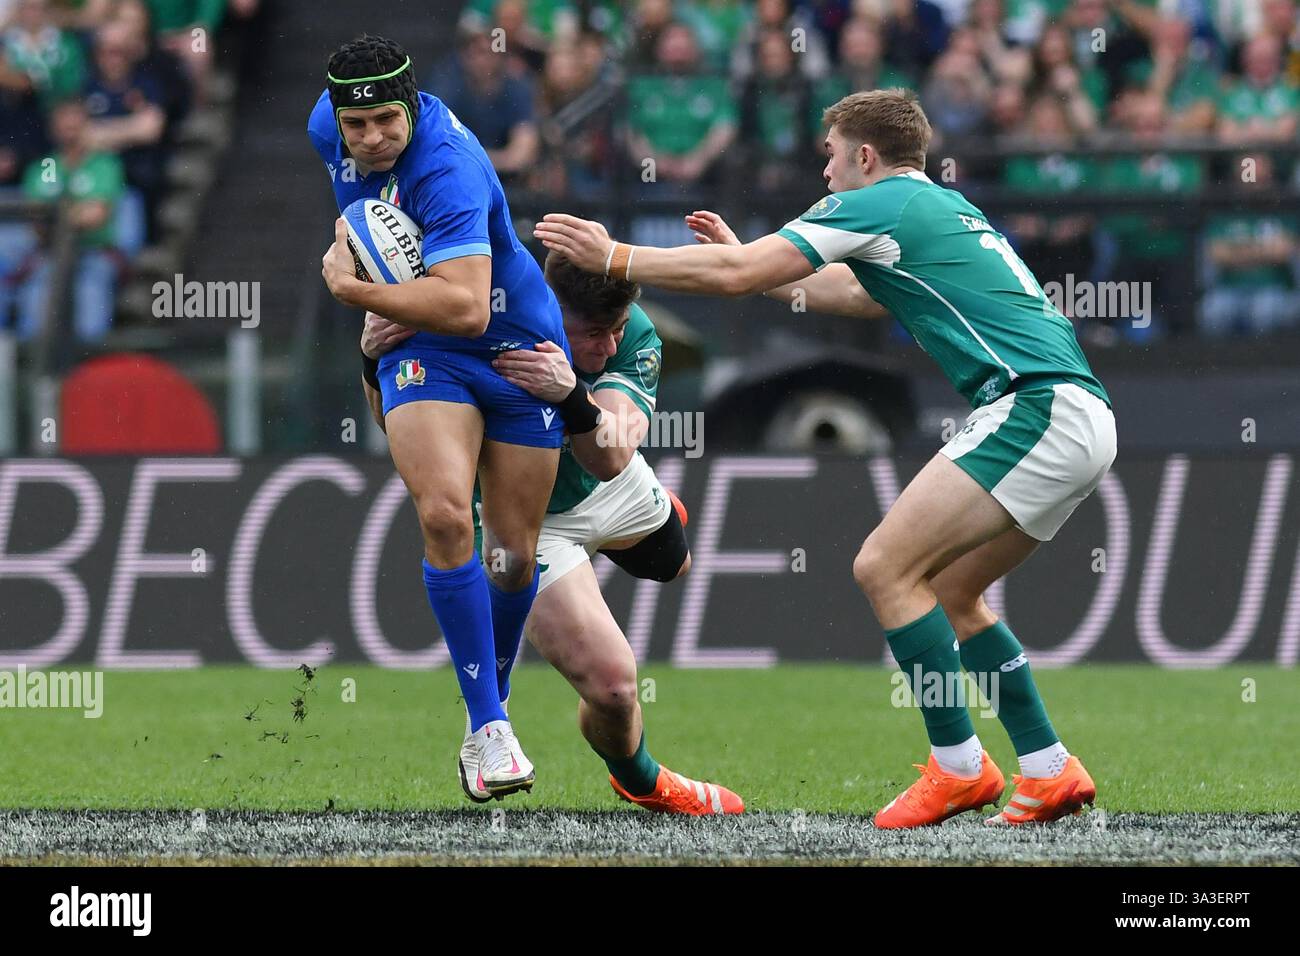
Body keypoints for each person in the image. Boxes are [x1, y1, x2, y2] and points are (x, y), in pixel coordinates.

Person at [535, 88, 1115, 829]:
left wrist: (615, 254)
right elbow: (860, 295)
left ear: (865, 156)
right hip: (1081, 413)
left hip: (1033, 407)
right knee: (949, 591)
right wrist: (759, 271)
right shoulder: (937, 210)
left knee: (884, 568)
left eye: (832, 158)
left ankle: (960, 767)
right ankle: (1047, 767)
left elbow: (737, 277)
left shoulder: (878, 203)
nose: (827, 175)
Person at [362, 253, 744, 814]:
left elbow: (611, 456)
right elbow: (393, 416)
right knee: (614, 690)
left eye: (616, 329)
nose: (610, 346)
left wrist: (569, 393)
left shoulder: (633, 332)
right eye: (593, 333)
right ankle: (640, 778)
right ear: (546, 308)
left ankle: (655, 524)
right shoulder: (475, 320)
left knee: (672, 562)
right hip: (530, 523)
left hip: (607, 481)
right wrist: (371, 363)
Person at [312, 34, 568, 799]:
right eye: (356, 127)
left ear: (414, 105)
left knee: (514, 556)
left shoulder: (447, 167)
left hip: (515, 343)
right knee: (450, 517)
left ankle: (489, 710)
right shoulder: (327, 124)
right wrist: (376, 296)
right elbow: (369, 228)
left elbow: (462, 304)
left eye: (385, 121)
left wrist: (357, 293)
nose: (370, 139)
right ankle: (490, 728)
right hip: (422, 347)